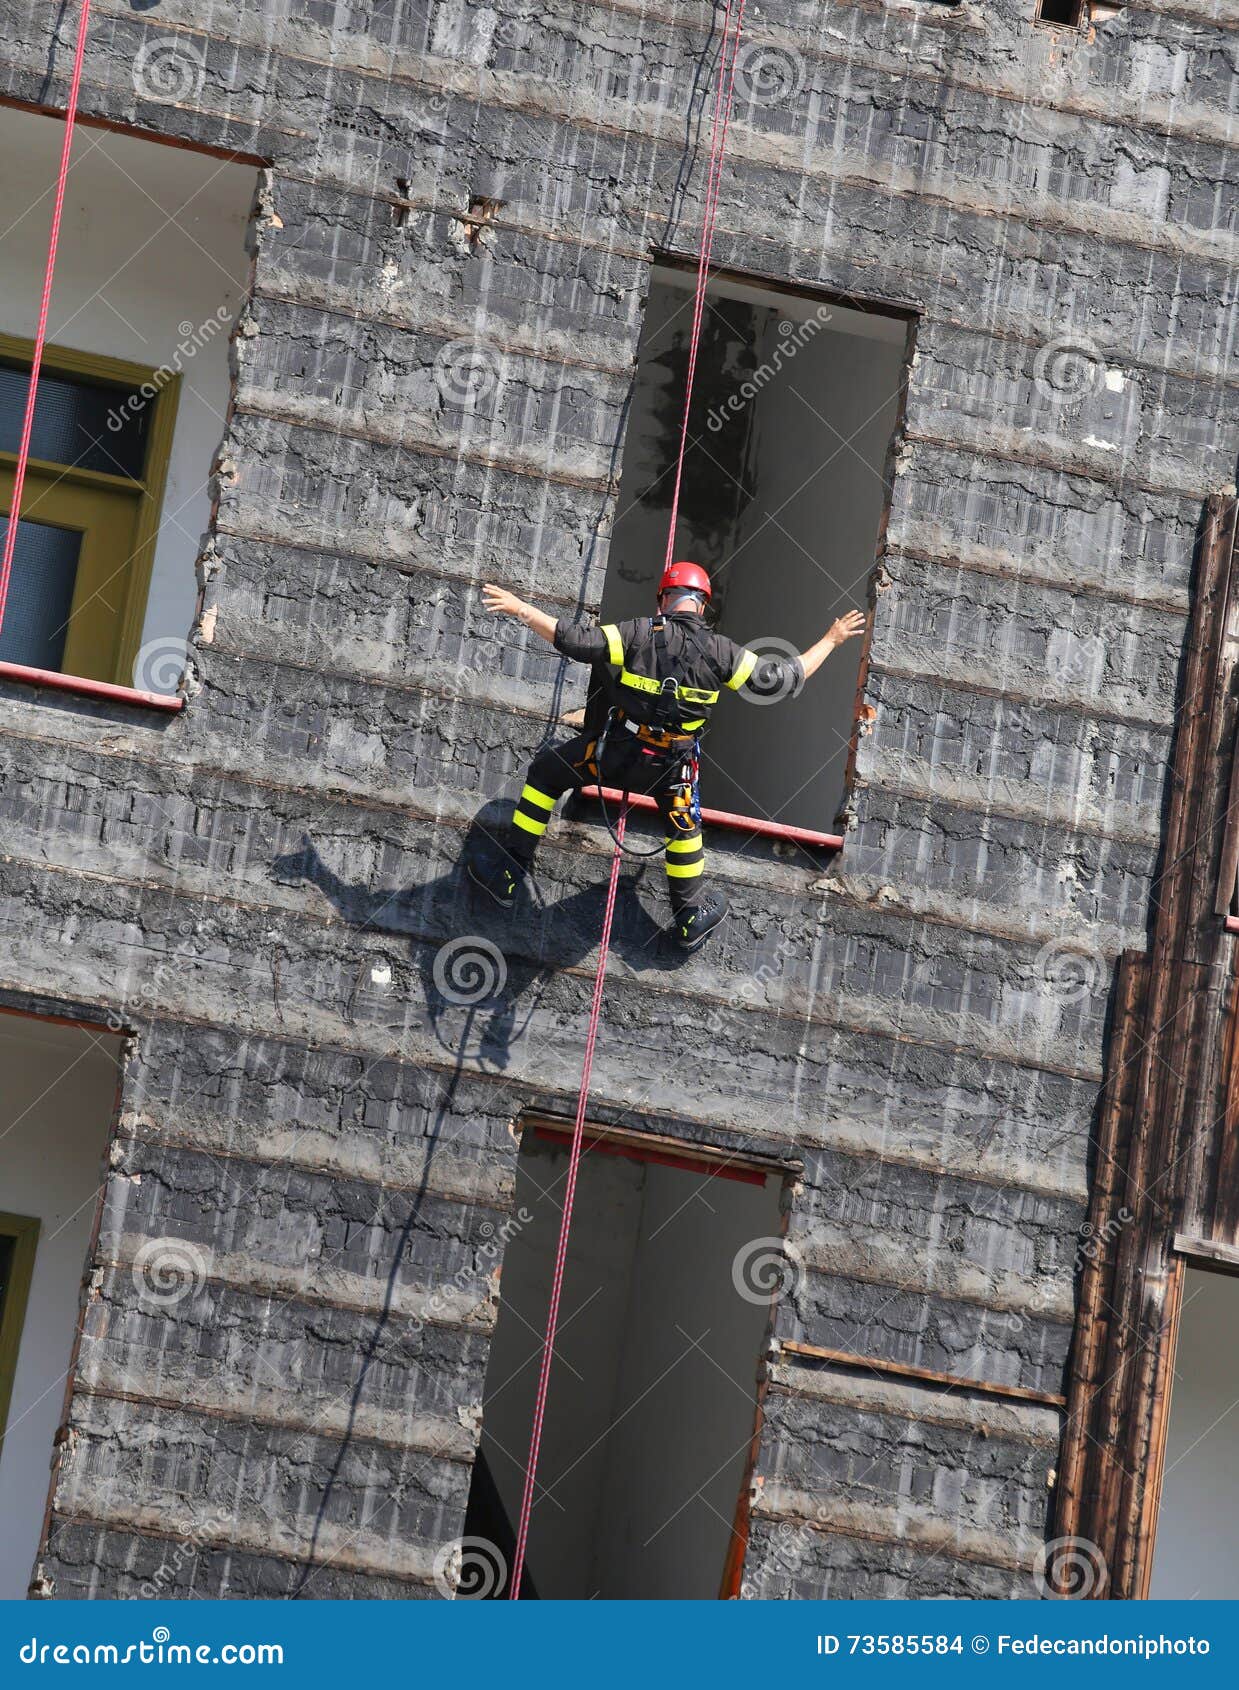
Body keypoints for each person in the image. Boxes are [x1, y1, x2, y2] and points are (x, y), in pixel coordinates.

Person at [472, 560, 866, 949]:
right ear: (703, 606)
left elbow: (576, 641)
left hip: (612, 756)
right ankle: (688, 915)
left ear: (663, 600)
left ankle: (508, 873)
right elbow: (782, 679)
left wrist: (521, 608)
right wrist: (832, 638)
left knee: (546, 772)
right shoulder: (722, 652)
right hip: (670, 771)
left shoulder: (638, 632)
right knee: (684, 826)